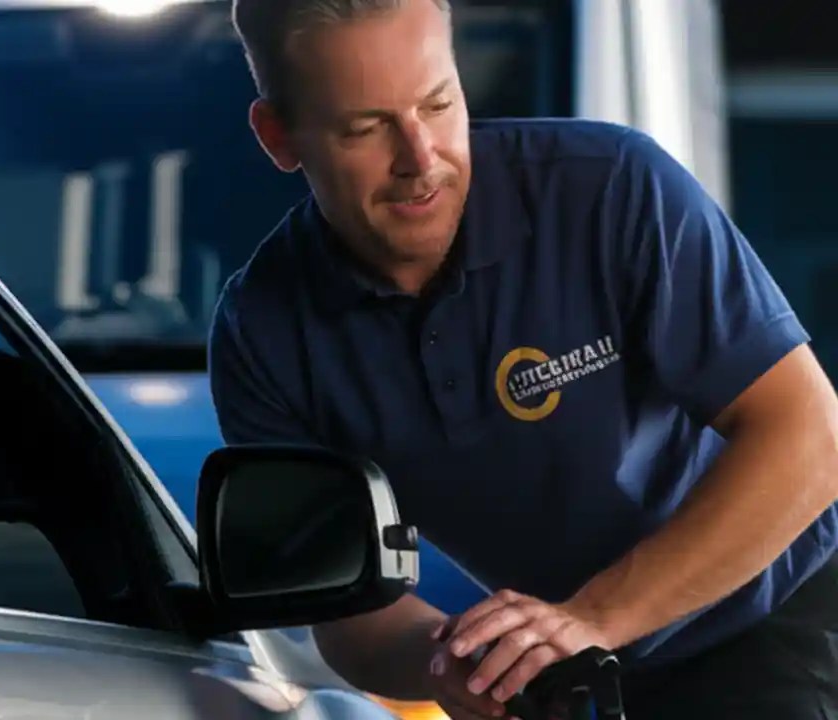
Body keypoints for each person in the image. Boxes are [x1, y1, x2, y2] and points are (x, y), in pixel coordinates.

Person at [208, 1, 838, 718]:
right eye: (366, 127)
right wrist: (456, 662)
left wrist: (593, 620)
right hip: (570, 676)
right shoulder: (262, 335)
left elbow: (811, 437)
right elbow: (349, 612)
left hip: (772, 617)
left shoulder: (613, 187)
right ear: (279, 136)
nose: (422, 158)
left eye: (439, 103)